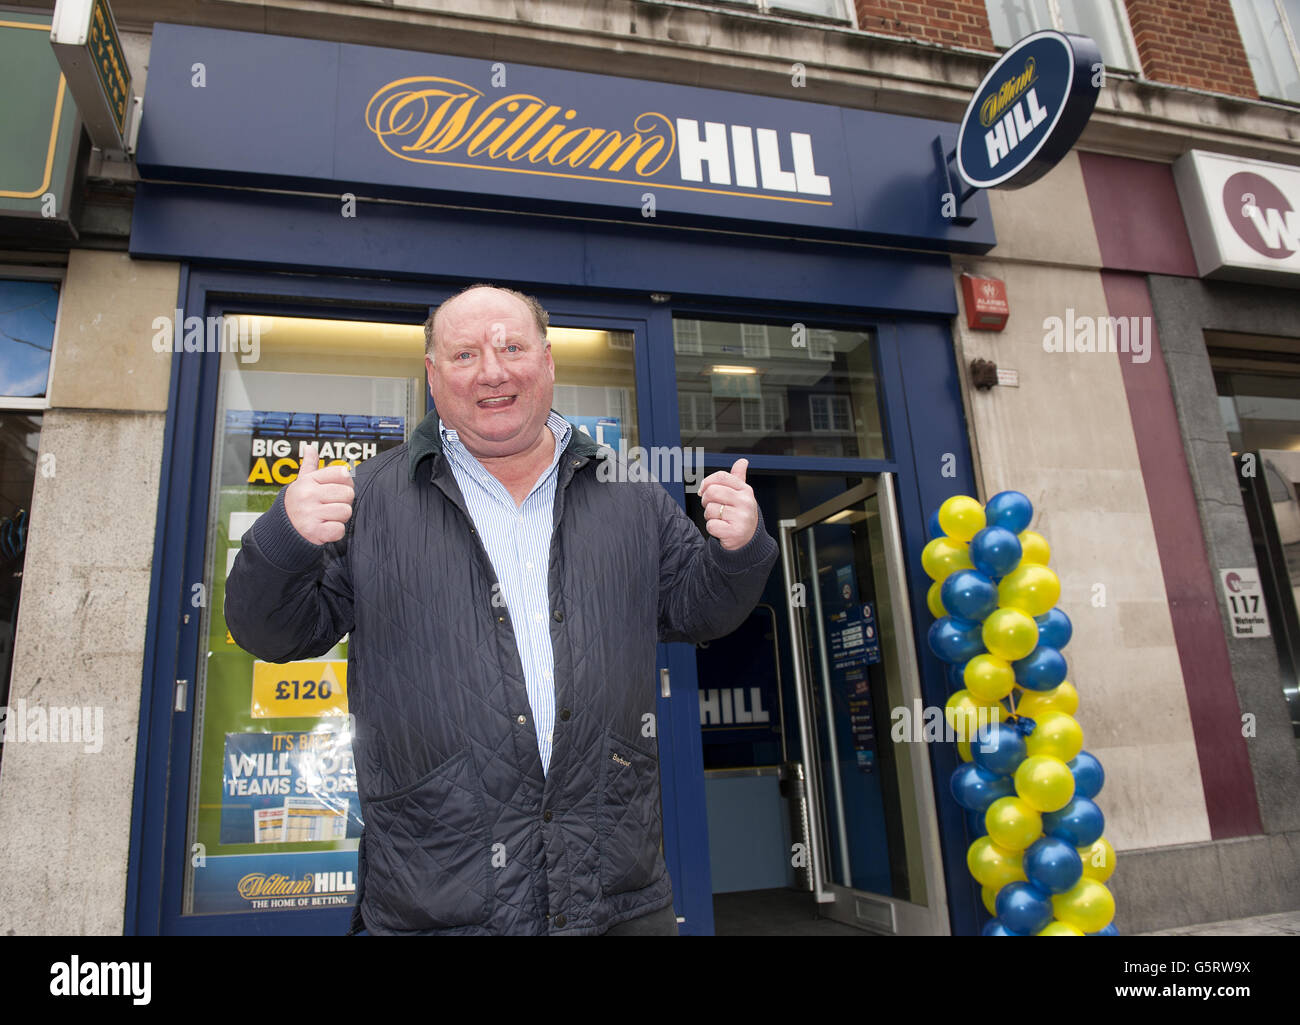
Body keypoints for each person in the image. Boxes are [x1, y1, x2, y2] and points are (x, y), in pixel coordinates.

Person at [225, 283, 778, 935]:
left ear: (548, 362)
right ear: (433, 376)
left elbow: (700, 609)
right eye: (463, 354)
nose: (491, 370)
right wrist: (283, 537)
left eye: (512, 346)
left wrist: (740, 548)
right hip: (437, 901)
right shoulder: (371, 498)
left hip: (614, 894)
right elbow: (273, 632)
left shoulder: (629, 492)